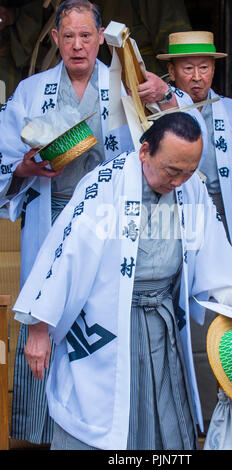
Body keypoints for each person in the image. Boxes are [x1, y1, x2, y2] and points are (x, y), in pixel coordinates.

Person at [13, 112, 232, 450]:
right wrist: (38, 327)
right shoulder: (105, 185)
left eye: (188, 172)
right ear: (145, 151)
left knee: (165, 410)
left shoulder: (191, 187)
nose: (179, 181)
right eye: (171, 170)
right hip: (107, 319)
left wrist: (229, 295)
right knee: (99, 416)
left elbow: (212, 248)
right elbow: (66, 253)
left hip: (162, 319)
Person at [0, 0, 133, 444]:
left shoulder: (123, 86)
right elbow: (6, 156)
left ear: (100, 39)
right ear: (55, 39)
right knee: (44, 317)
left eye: (87, 36)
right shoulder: (32, 91)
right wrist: (23, 169)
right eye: (69, 36)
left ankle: (98, 426)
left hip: (105, 223)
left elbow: (151, 145)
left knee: (98, 316)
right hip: (51, 215)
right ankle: (40, 429)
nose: (78, 45)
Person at [136, 30, 232, 426]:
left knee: (228, 302)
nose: (197, 76)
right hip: (171, 219)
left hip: (224, 218)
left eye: (204, 67)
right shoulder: (153, 110)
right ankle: (181, 407)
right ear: (171, 71)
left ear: (214, 68)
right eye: (187, 68)